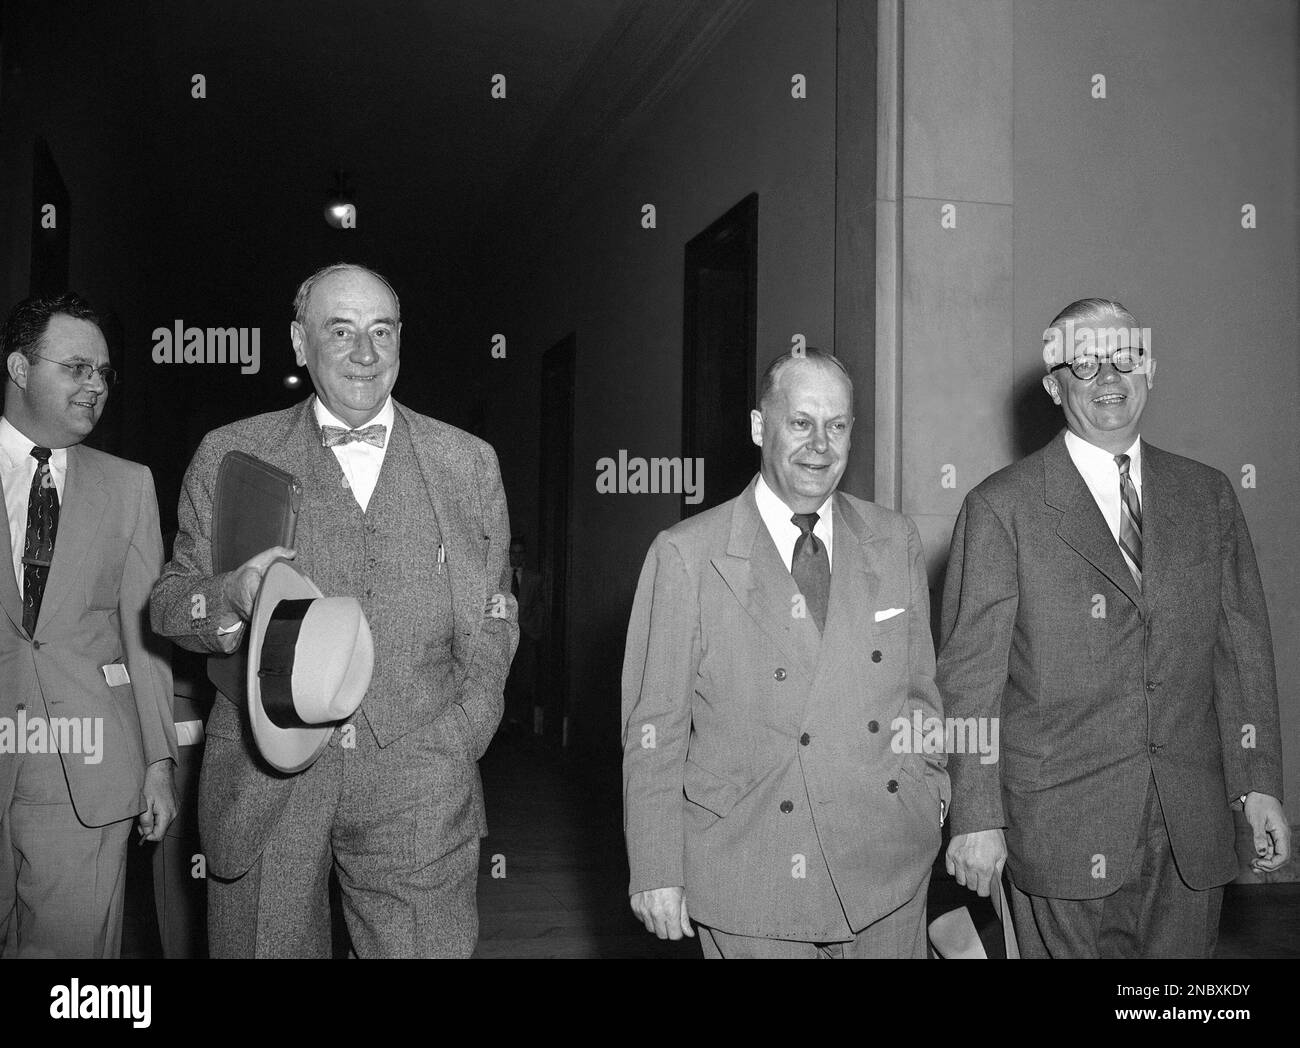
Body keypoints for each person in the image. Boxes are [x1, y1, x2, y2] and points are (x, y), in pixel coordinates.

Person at [150, 263, 517, 958]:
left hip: (419, 774)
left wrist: (463, 732)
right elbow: (169, 605)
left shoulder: (466, 462)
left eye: (382, 332)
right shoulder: (232, 454)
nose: (365, 353)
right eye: (340, 331)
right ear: (298, 341)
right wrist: (229, 594)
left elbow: (494, 612)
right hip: (268, 773)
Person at [939, 298, 1288, 958]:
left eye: (1125, 359)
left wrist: (1258, 783)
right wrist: (976, 815)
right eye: (1085, 363)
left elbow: (1241, 653)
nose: (1108, 378)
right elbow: (968, 684)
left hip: (1191, 829)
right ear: (1052, 385)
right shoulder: (1001, 508)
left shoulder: (1207, 496)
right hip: (1061, 827)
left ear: (1149, 368)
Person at [622, 347, 948, 958]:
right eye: (800, 423)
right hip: (751, 870)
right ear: (758, 427)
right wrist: (657, 866)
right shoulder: (687, 555)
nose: (819, 444)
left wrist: (929, 798)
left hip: (887, 869)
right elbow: (654, 730)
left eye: (837, 425)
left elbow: (919, 693)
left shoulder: (893, 538)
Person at [0, 292, 176, 957]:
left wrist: (158, 762)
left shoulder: (129, 486)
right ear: (20, 368)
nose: (95, 385)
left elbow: (145, 635)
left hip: (83, 767)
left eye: (103, 372)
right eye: (75, 367)